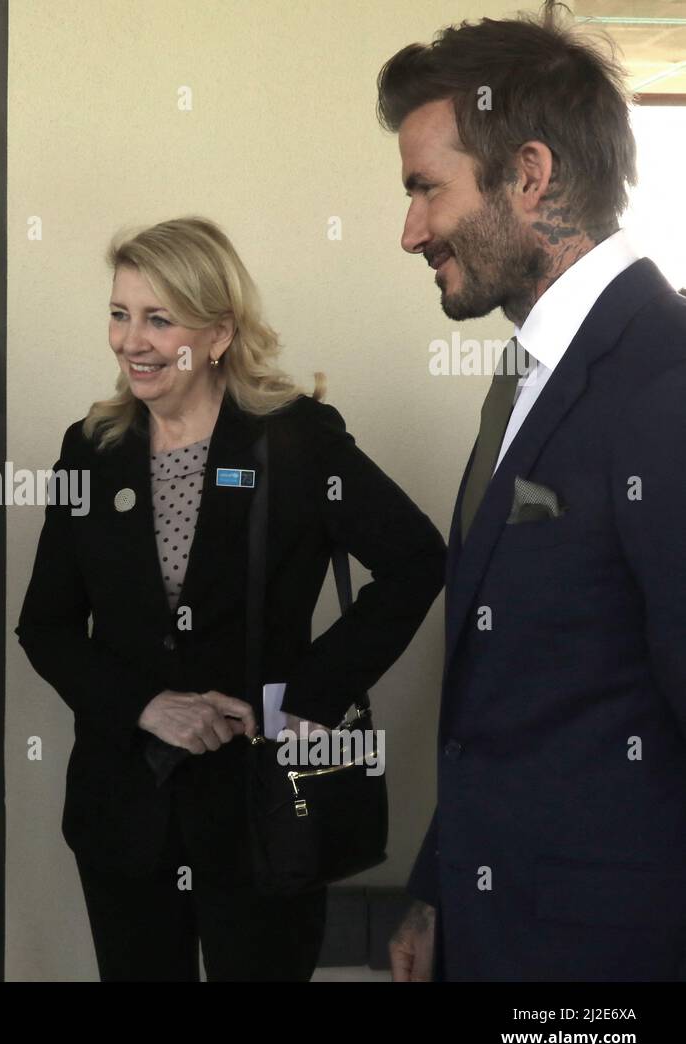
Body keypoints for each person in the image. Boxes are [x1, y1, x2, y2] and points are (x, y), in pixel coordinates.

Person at [16, 217, 445, 981]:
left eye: (158, 318)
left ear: (217, 335)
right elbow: (44, 627)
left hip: (262, 810)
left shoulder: (297, 442)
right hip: (125, 813)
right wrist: (147, 703)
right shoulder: (92, 449)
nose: (130, 340)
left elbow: (416, 562)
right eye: (119, 314)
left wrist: (302, 698)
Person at [379, 4, 686, 981]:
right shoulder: (530, 376)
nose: (408, 230)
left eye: (427, 189)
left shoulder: (663, 380)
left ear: (529, 175)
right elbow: (511, 690)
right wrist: (438, 886)